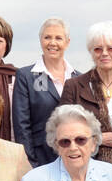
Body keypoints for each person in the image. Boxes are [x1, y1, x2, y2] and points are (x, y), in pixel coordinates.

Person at [60, 21, 112, 167]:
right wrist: (98, 139)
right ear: (91, 53)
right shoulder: (74, 87)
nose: (104, 53)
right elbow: (61, 132)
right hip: (84, 169)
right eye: (98, 49)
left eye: (111, 48)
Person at [13, 17, 79, 167]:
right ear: (40, 40)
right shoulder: (26, 76)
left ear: (67, 42)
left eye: (58, 38)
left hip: (74, 159)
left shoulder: (79, 78)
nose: (52, 43)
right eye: (47, 37)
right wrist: (31, 164)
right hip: (40, 160)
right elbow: (22, 127)